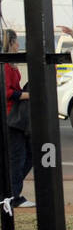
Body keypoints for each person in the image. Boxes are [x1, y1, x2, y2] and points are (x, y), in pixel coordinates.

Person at [3, 29, 34, 208]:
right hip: (11, 117)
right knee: (19, 157)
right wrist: (28, 95)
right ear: (11, 42)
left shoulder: (10, 64)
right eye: (16, 42)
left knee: (27, 155)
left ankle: (12, 191)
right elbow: (7, 92)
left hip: (15, 117)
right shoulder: (6, 66)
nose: (18, 45)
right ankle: (13, 196)